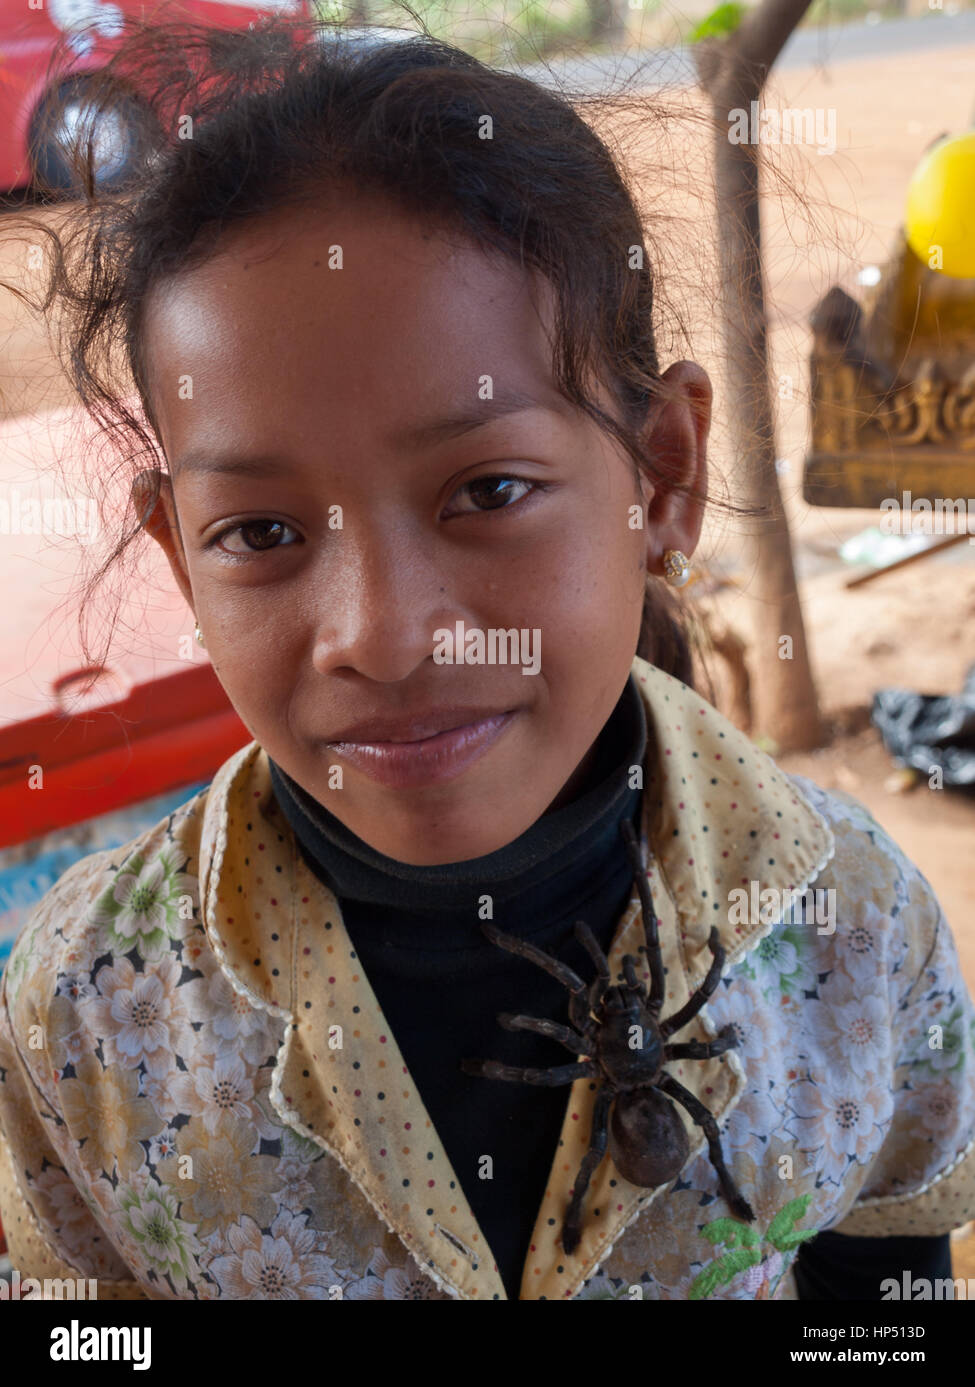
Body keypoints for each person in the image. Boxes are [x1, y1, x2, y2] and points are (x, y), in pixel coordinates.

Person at [0, 16, 973, 1302]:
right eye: (263, 531)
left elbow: (887, 1275)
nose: (384, 634)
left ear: (663, 477)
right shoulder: (81, 1009)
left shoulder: (858, 931)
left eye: (489, 488)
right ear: (183, 559)